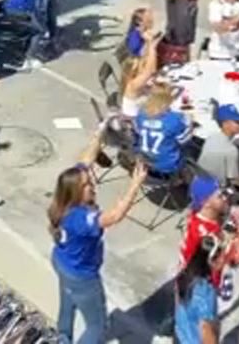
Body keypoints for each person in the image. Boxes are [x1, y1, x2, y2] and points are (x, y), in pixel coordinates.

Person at [48, 127, 148, 344]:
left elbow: (86, 160)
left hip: (62, 262)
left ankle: (62, 337)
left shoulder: (64, 203)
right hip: (82, 276)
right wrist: (135, 184)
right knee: (97, 325)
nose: (92, 186)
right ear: (76, 192)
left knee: (67, 302)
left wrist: (99, 135)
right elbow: (114, 216)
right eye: (86, 186)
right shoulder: (81, 219)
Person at [179, 175, 239, 317]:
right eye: (219, 196)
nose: (225, 198)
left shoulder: (199, 217)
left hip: (189, 277)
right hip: (204, 287)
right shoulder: (207, 236)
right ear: (206, 202)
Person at [174, 236, 222, 344]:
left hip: (180, 335)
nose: (223, 260)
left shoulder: (185, 275)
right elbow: (205, 328)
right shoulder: (206, 292)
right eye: (221, 257)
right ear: (211, 260)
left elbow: (177, 304)